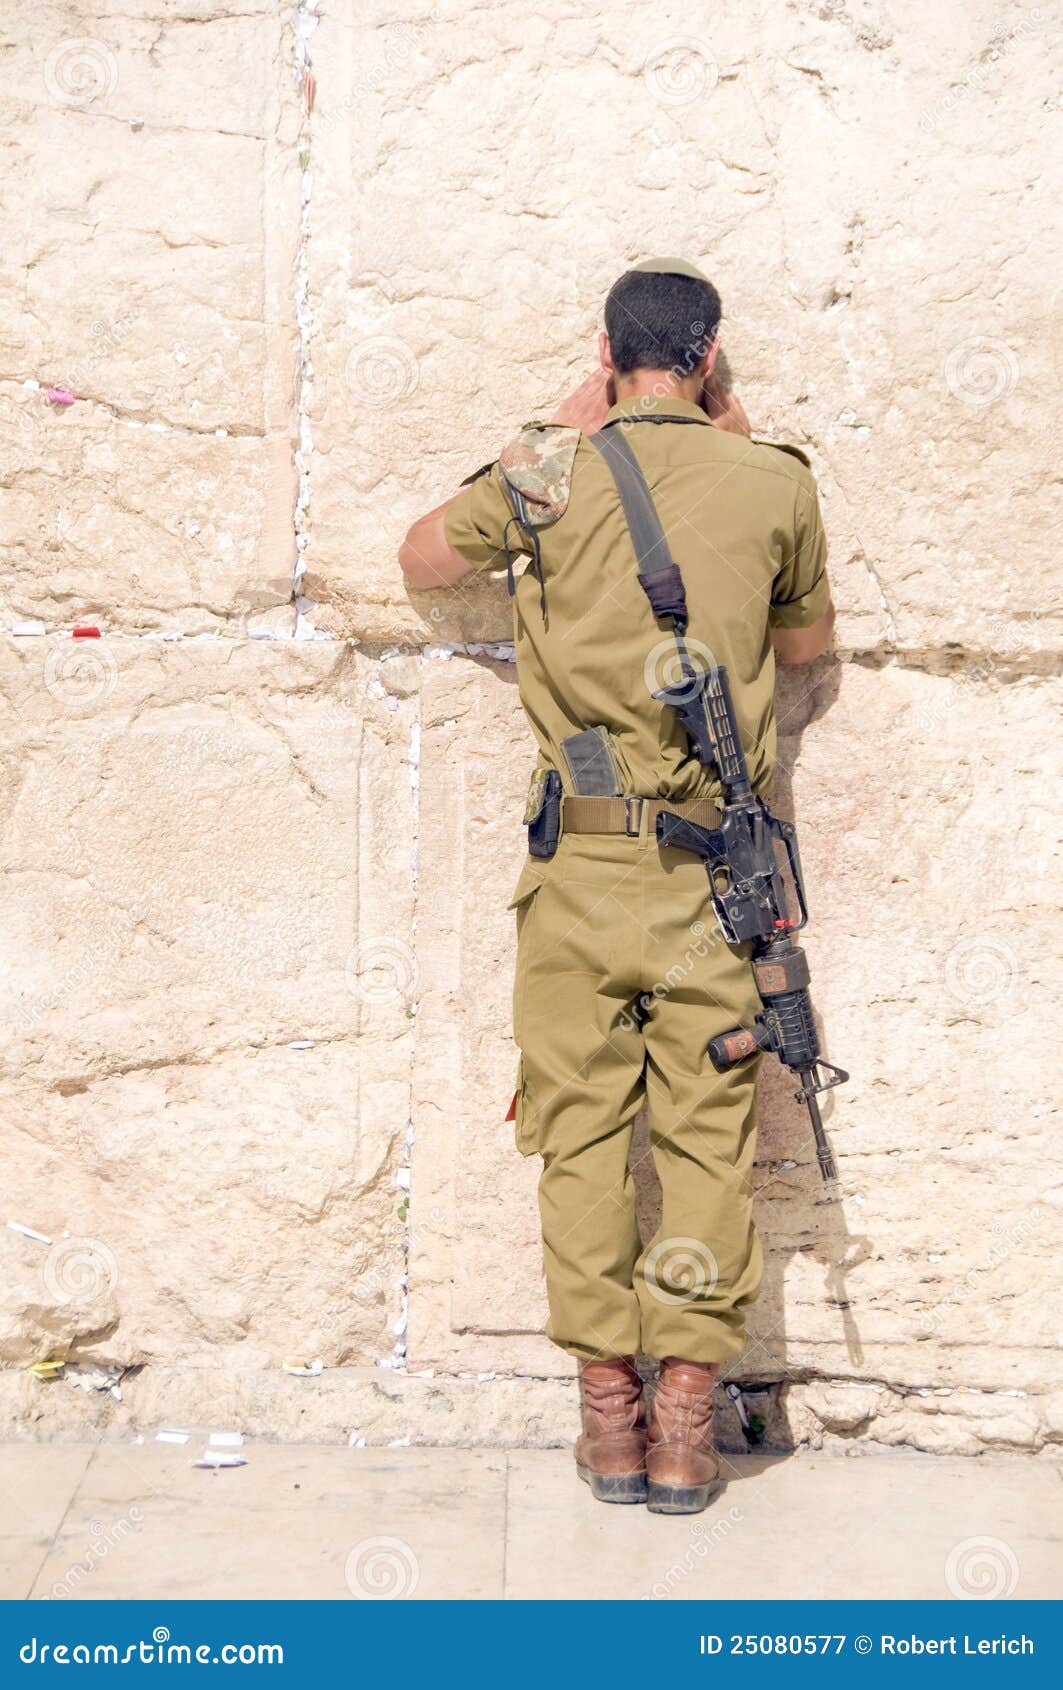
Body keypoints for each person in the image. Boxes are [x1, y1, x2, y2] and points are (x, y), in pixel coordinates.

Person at [399, 259, 835, 1514]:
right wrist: (730, 436)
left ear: (605, 354)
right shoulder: (774, 481)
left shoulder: (549, 470)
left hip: (579, 873)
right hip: (715, 882)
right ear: (709, 357)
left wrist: (558, 427)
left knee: (578, 1136)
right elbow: (804, 645)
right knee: (707, 1140)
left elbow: (424, 557)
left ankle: (608, 1422)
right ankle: (687, 1430)